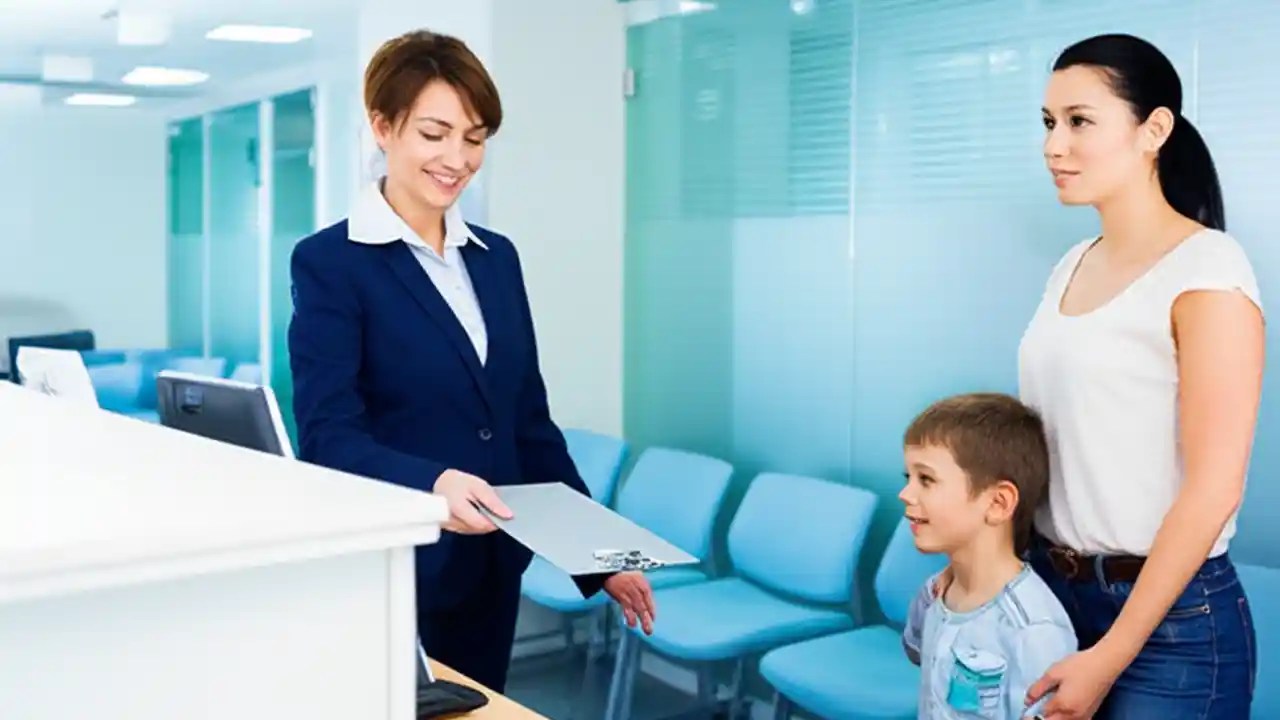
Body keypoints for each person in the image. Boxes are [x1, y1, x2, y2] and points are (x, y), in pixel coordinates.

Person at [288, 29, 656, 693]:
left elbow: (529, 427)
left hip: (491, 570)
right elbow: (327, 434)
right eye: (434, 133)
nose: (457, 158)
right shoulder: (330, 263)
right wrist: (434, 483)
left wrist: (600, 556)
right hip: (399, 567)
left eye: (475, 137)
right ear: (383, 126)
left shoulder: (497, 257)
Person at [1018, 33, 1263, 719]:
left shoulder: (1209, 270)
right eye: (1047, 123)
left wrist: (1111, 654)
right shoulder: (1071, 263)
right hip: (1052, 593)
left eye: (1079, 121)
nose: (1052, 145)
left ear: (1154, 129)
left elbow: (1215, 488)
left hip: (1171, 628)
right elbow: (1051, 439)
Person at [900, 393, 1076, 719]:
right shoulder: (935, 595)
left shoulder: (1033, 630)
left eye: (926, 479)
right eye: (907, 478)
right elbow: (915, 652)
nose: (906, 494)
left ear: (997, 503)